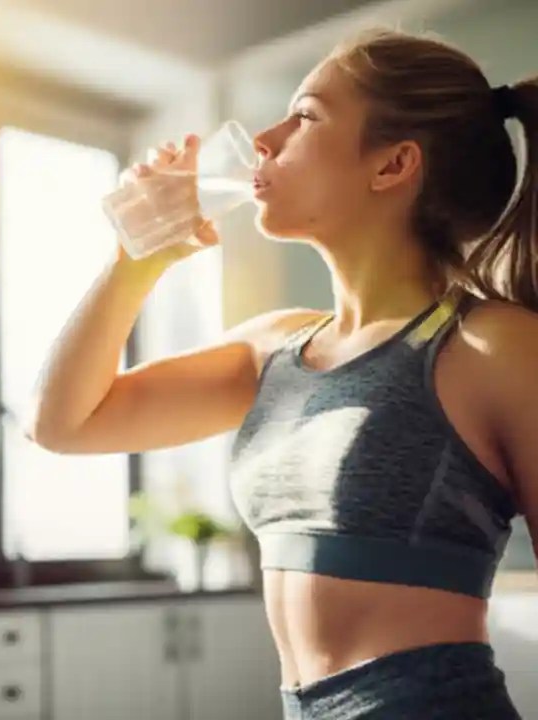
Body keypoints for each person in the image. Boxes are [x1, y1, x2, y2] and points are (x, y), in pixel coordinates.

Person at [30, 29, 537, 720]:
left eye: (305, 115)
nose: (263, 140)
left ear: (392, 166)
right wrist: (136, 259)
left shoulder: (493, 347)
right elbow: (61, 424)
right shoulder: (274, 348)